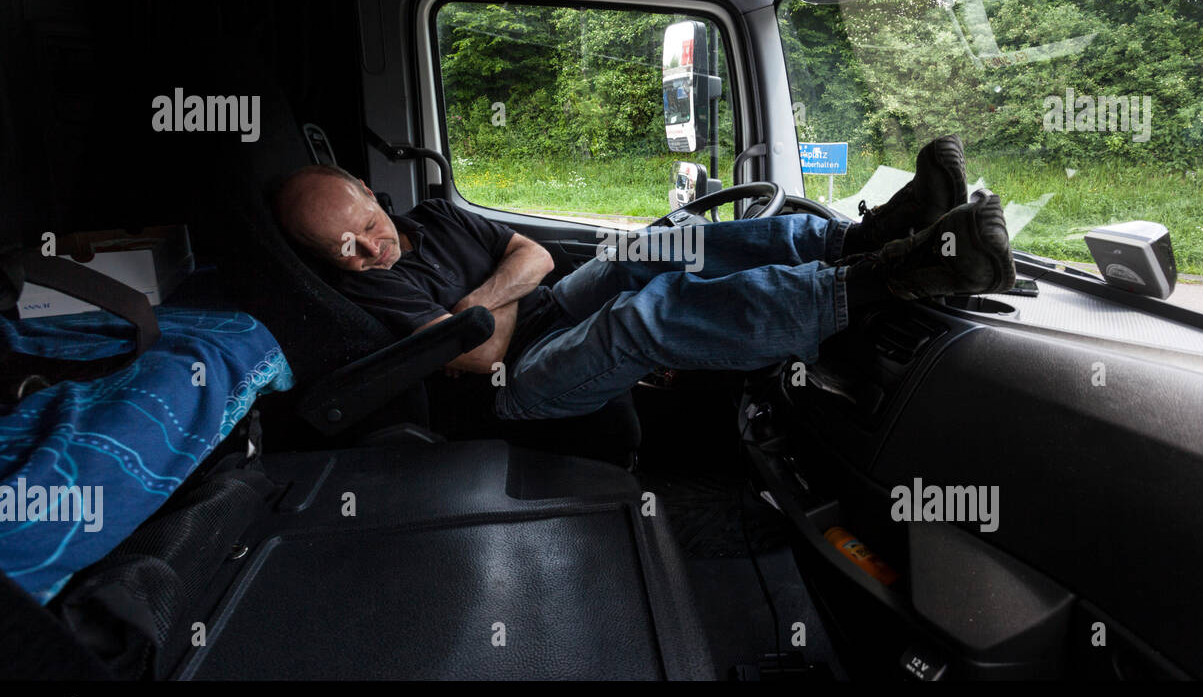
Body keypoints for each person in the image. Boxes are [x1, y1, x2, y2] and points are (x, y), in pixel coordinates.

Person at [272, 135, 1013, 421]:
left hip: (543, 310)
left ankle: (862, 237)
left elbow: (534, 258)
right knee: (637, 321)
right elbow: (482, 357)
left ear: (374, 195)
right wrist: (498, 295)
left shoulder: (435, 217)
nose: (367, 253)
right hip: (511, 390)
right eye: (343, 251)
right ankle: (885, 281)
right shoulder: (367, 284)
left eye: (367, 229)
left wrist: (480, 299)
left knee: (654, 244)